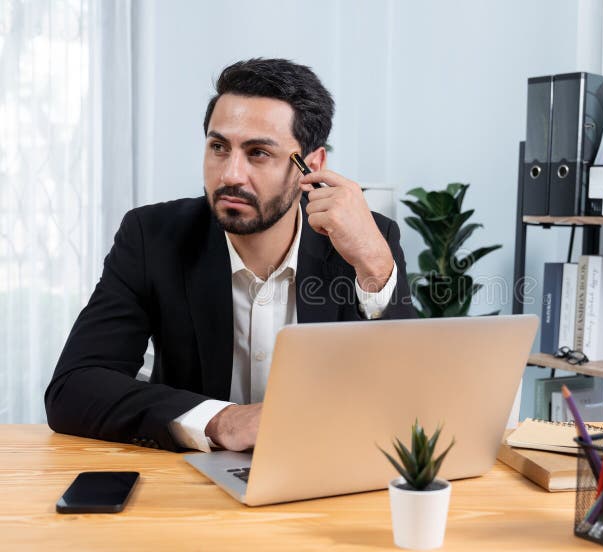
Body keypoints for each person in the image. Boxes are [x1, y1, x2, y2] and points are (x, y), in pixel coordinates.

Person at [44, 58, 416, 453]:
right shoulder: (152, 237)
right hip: (190, 485)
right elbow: (74, 387)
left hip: (325, 477)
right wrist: (222, 421)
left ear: (313, 166)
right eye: (219, 147)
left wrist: (375, 262)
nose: (231, 175)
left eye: (258, 153)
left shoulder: (366, 238)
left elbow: (411, 400)